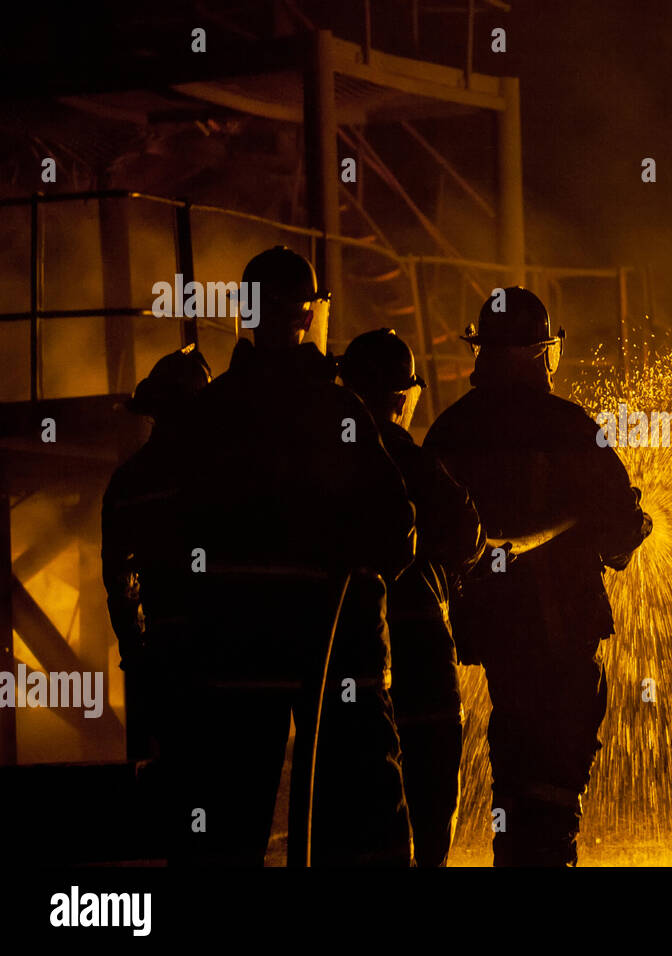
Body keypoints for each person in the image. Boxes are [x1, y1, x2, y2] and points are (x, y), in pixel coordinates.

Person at [156, 246, 416, 866]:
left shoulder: (209, 414)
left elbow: (174, 535)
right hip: (334, 658)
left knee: (226, 828)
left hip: (231, 657)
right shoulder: (337, 412)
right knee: (363, 821)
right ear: (309, 315)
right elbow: (396, 531)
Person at [425, 286, 652, 866]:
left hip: (495, 638)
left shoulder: (450, 431)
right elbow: (617, 534)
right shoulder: (569, 427)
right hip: (562, 631)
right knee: (558, 764)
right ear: (536, 352)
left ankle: (515, 850)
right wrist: (633, 526)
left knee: (516, 752)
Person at [339, 328, 485, 866]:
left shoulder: (327, 460)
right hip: (419, 651)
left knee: (358, 797)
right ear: (403, 397)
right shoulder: (408, 458)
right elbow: (468, 534)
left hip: (349, 659)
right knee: (429, 784)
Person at [102, 345, 212, 761]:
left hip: (162, 652)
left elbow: (118, 578)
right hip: (220, 652)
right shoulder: (220, 471)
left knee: (167, 775)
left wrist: (135, 652)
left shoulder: (127, 483)